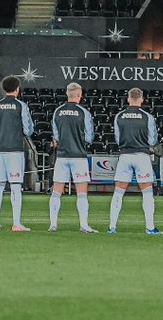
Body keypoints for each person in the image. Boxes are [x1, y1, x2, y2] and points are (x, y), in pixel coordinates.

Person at [108, 87, 162, 235]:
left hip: (125, 155)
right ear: (142, 99)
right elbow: (152, 139)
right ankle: (150, 227)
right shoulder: (147, 117)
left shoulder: (119, 116)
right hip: (142, 156)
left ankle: (112, 227)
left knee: (118, 192)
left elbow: (117, 138)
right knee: (147, 192)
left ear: (128, 99)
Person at [48, 82, 96, 233]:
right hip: (78, 156)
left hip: (62, 156)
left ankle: (53, 224)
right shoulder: (84, 112)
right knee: (81, 192)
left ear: (67, 94)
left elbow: (56, 136)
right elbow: (89, 137)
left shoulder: (57, 111)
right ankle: (84, 225)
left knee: (57, 191)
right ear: (80, 95)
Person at [0, 75, 33, 232]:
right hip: (15, 150)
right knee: (15, 185)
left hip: (0, 150)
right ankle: (16, 223)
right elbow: (28, 129)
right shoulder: (21, 106)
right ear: (17, 89)